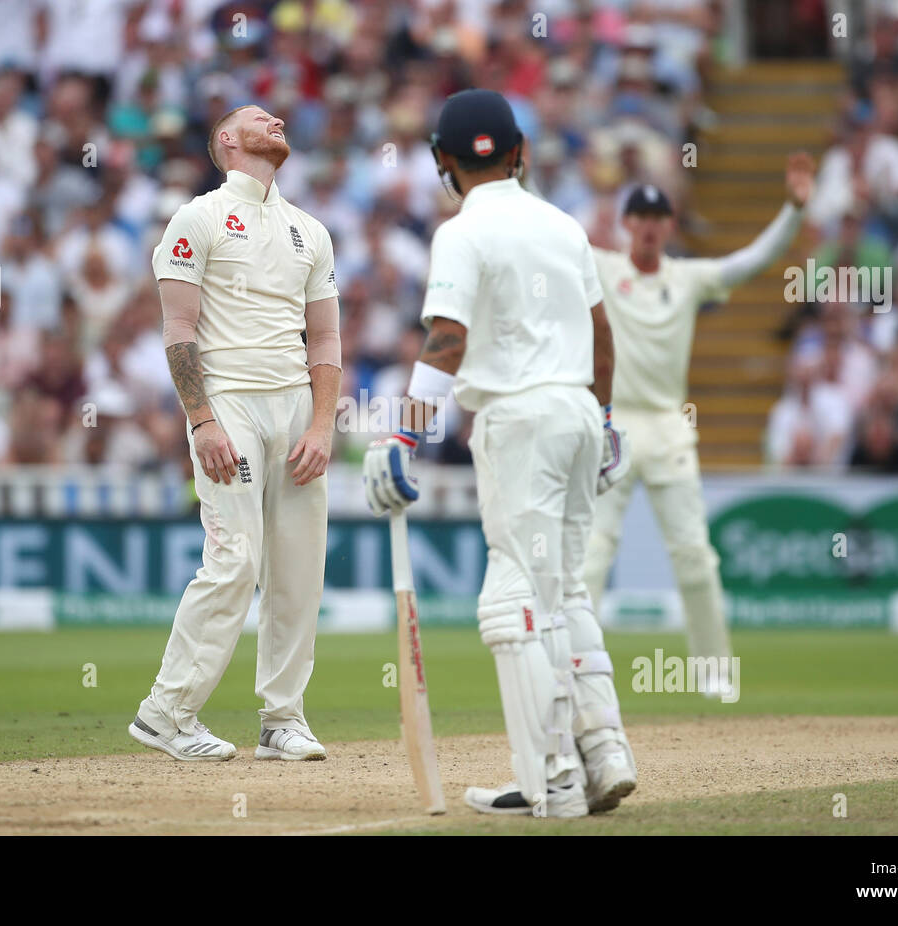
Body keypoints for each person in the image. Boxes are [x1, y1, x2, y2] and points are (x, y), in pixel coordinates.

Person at [363, 89, 635, 818]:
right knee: (563, 591)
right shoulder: (563, 224)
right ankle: (603, 751)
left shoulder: (461, 232)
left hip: (519, 419)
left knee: (511, 599)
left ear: (442, 163)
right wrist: (605, 420)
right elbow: (602, 335)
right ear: (520, 151)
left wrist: (401, 434)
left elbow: (446, 341)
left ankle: (552, 779)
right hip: (579, 413)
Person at [130, 104, 341, 762]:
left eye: (279, 114)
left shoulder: (310, 230)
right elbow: (177, 329)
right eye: (258, 117)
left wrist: (324, 422)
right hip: (230, 407)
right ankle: (168, 712)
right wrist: (201, 420)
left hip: (295, 408)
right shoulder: (199, 217)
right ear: (226, 139)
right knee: (236, 560)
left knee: (299, 571)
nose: (278, 118)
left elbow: (327, 335)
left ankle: (282, 719)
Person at [583, 156, 816, 694]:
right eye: (638, 216)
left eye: (656, 217)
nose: (646, 226)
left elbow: (752, 261)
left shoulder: (688, 279)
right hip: (612, 427)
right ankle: (582, 673)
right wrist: (517, 173)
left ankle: (714, 673)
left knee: (694, 557)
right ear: (626, 225)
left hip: (668, 427)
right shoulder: (600, 268)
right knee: (592, 555)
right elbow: (547, 231)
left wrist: (793, 210)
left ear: (668, 225)